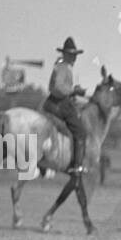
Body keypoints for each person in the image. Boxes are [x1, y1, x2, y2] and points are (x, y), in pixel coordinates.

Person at [43, 37, 88, 175]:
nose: (74, 58)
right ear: (65, 54)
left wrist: (73, 90)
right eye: (72, 55)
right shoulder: (63, 67)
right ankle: (77, 165)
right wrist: (74, 91)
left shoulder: (62, 66)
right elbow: (58, 87)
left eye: (75, 55)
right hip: (59, 104)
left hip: (56, 102)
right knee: (80, 131)